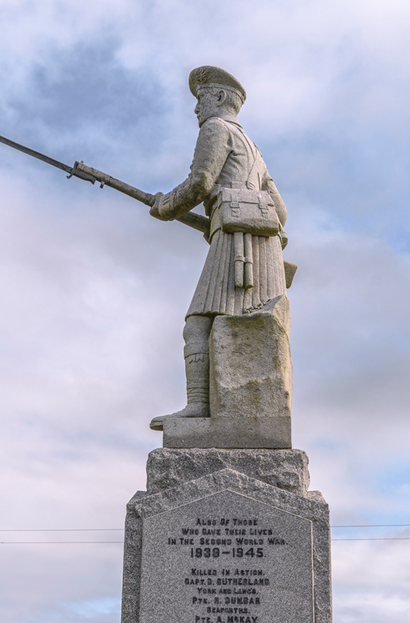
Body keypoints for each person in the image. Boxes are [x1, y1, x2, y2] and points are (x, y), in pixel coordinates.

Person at [149, 66, 289, 430]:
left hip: (236, 243)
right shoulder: (254, 149)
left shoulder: (216, 129)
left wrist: (165, 207)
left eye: (202, 99)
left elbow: (199, 183)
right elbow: (282, 212)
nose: (197, 109)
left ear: (221, 98)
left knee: (197, 324)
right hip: (264, 249)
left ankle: (198, 407)